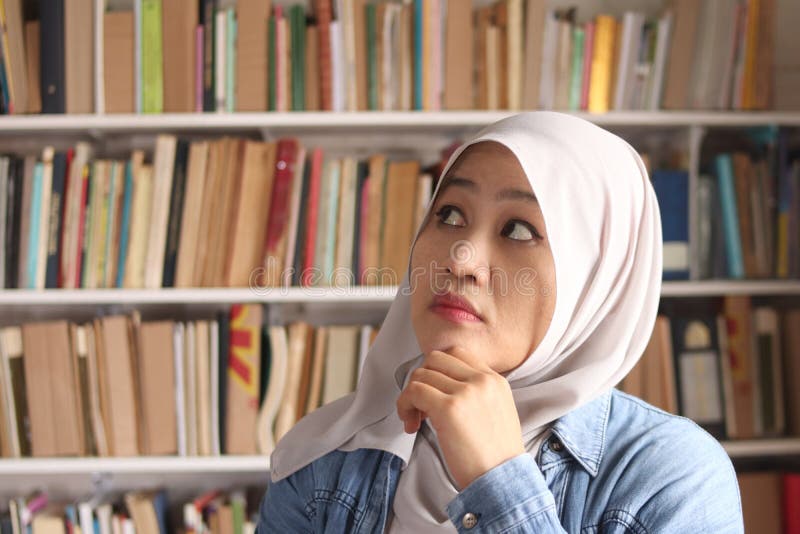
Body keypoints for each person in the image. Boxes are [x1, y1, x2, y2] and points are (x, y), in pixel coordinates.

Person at [255, 112, 743, 533]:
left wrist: (499, 480)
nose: (461, 258)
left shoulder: (672, 477)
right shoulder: (320, 462)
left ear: (594, 279)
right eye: (448, 215)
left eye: (518, 229)